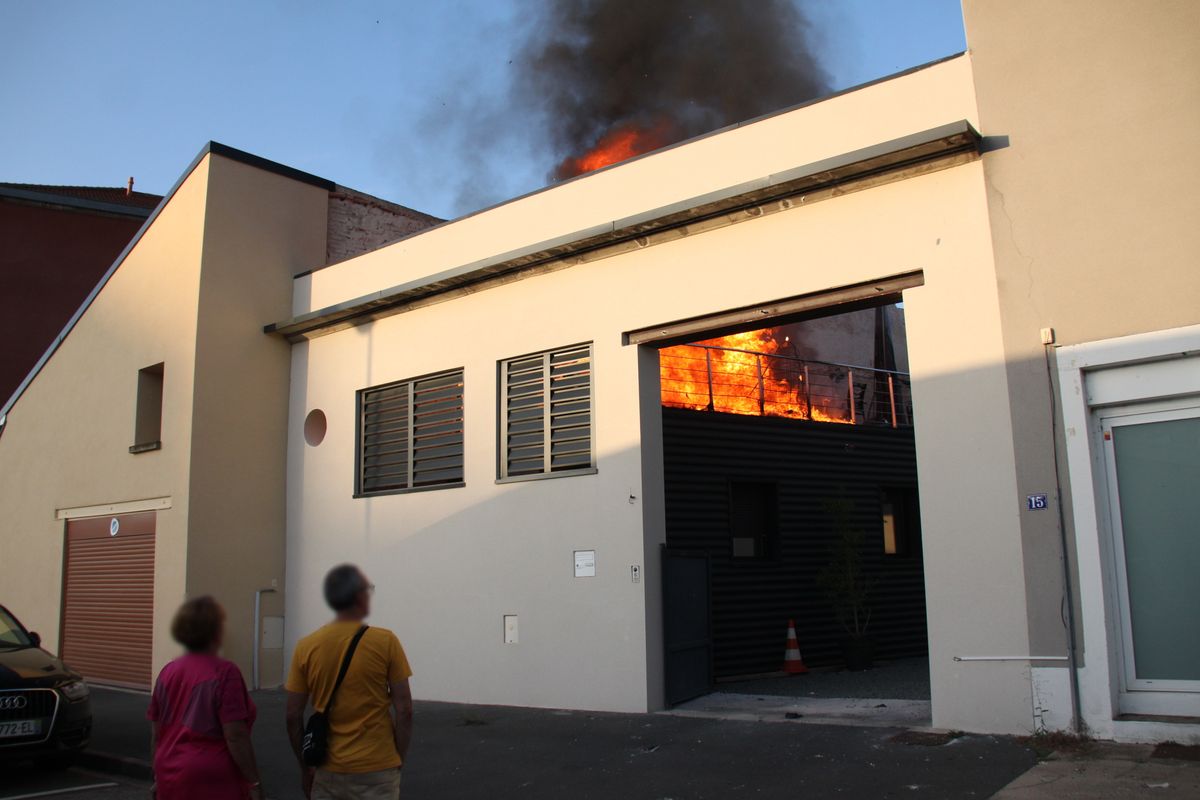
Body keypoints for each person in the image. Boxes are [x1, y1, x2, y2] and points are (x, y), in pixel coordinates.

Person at [286, 564, 413, 800]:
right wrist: (398, 758)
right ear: (359, 597)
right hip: (377, 768)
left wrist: (306, 768)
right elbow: (405, 710)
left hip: (327, 769)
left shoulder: (306, 646)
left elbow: (293, 715)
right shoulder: (386, 641)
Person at [148, 596, 263, 800]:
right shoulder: (225, 672)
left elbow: (157, 734)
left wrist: (158, 775)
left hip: (169, 773)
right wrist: (254, 782)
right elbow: (235, 735)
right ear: (216, 632)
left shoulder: (167, 672)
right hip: (211, 779)